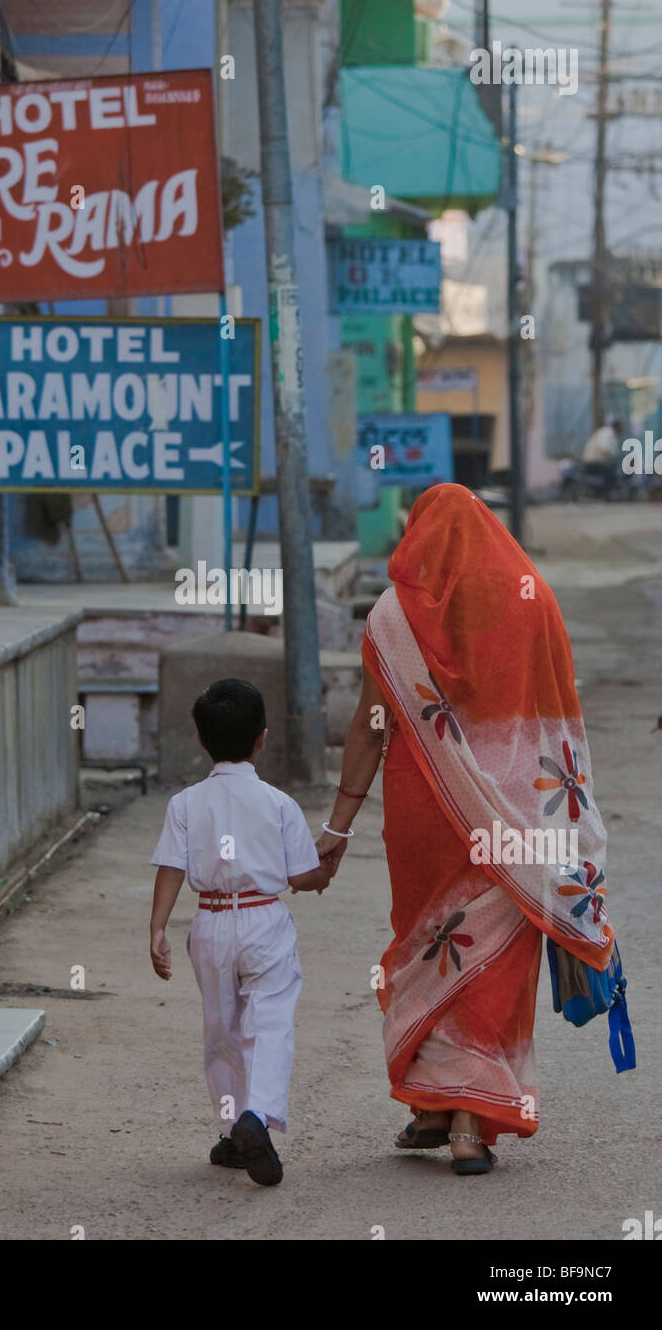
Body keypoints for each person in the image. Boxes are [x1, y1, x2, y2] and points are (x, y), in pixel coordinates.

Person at [316, 483, 616, 1175]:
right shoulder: (531, 599)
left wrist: (337, 829)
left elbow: (370, 728)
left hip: (426, 817)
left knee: (431, 945)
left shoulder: (394, 618)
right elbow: (555, 718)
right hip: (517, 815)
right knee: (496, 955)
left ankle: (433, 1104)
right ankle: (465, 1127)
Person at [149, 678, 330, 1186]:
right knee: (270, 1022)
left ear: (202, 740)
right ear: (262, 739)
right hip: (264, 919)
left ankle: (232, 1133)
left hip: (209, 921)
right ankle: (259, 1115)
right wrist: (326, 869)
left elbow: (170, 868)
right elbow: (301, 876)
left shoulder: (185, 803)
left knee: (220, 1029)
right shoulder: (279, 804)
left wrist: (158, 928)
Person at [582, 414, 623, 497]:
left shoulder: (608, 433)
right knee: (613, 471)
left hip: (595, 461)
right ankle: (606, 493)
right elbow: (605, 449)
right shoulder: (608, 433)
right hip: (595, 461)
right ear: (616, 425)